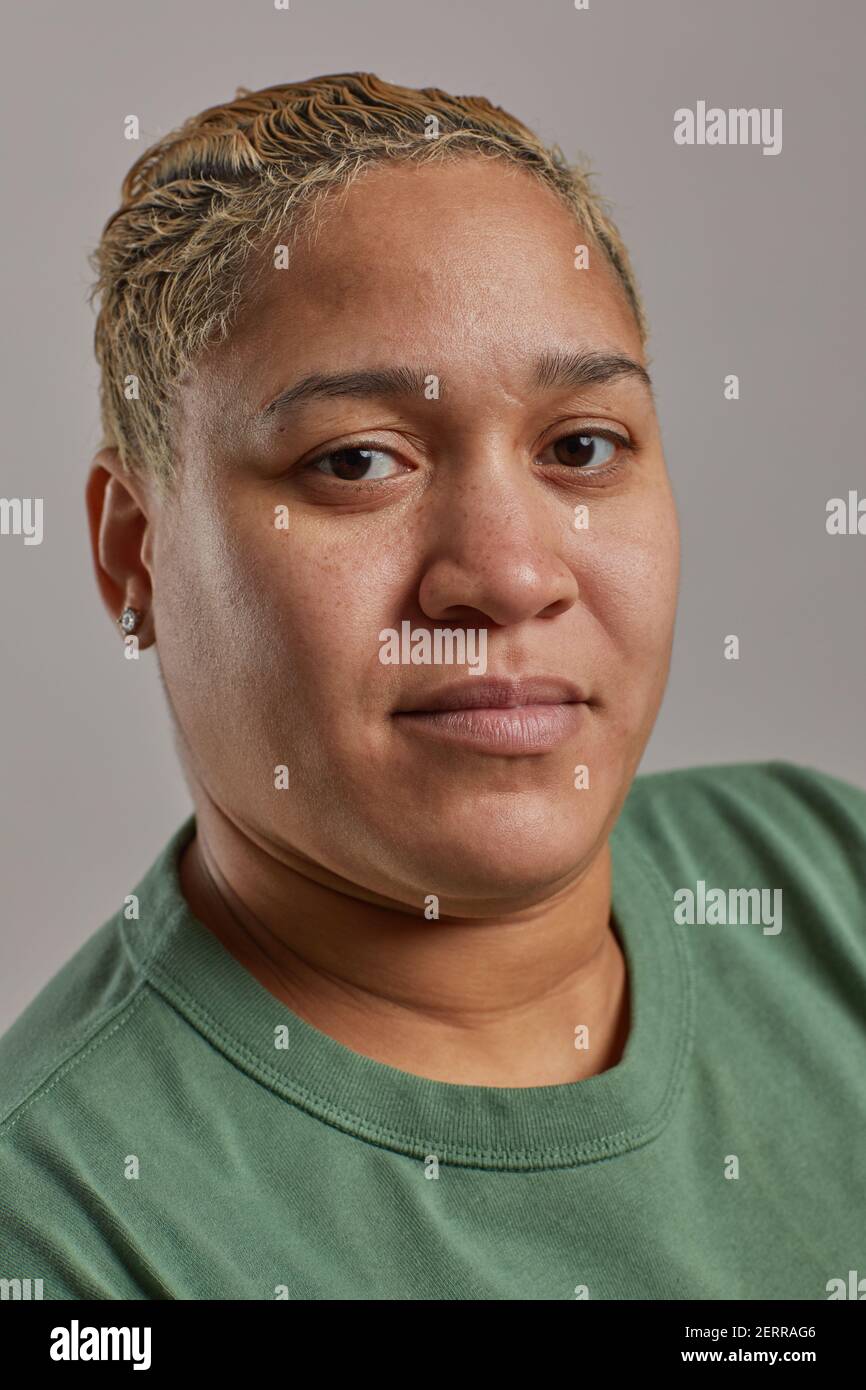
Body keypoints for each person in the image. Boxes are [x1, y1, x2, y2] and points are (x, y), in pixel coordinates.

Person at [1, 72, 864, 1302]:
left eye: (580, 446)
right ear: (134, 552)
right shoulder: (66, 1248)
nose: (507, 575)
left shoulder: (821, 880)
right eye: (356, 461)